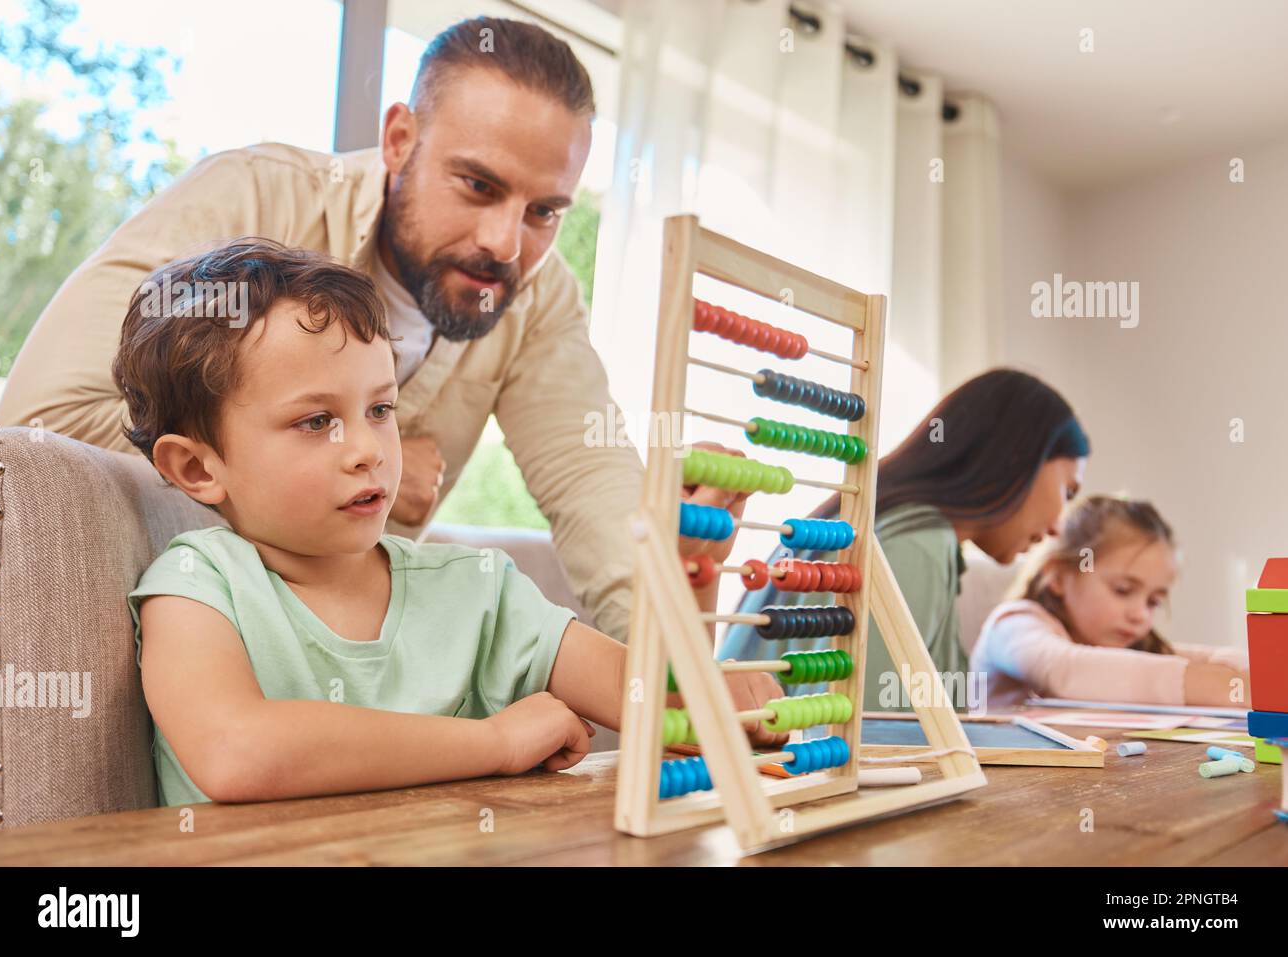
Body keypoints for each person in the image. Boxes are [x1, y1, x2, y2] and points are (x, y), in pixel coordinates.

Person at [0, 17, 645, 640]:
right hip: (169, 645)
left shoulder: (540, 292)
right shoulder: (252, 196)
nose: (506, 244)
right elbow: (40, 428)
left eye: (544, 211)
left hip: (346, 659)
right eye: (478, 185)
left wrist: (675, 674)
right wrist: (327, 460)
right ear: (399, 139)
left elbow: (595, 489)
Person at [117, 239, 785, 806]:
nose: (368, 449)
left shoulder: (479, 589)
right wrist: (492, 743)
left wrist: (701, 613)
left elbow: (650, 696)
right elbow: (237, 752)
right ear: (199, 469)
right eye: (316, 420)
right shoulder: (197, 588)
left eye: (380, 409)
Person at [719, 369, 1091, 713]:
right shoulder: (916, 544)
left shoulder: (904, 528)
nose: (1058, 527)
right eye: (1068, 491)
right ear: (1018, 457)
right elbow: (864, 730)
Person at [972, 495, 1249, 708]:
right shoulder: (1013, 625)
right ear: (1057, 576)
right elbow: (1064, 670)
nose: (1140, 615)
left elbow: (1176, 655)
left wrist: (1246, 667)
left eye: (1153, 601)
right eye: (1123, 590)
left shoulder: (1103, 640)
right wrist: (1217, 685)